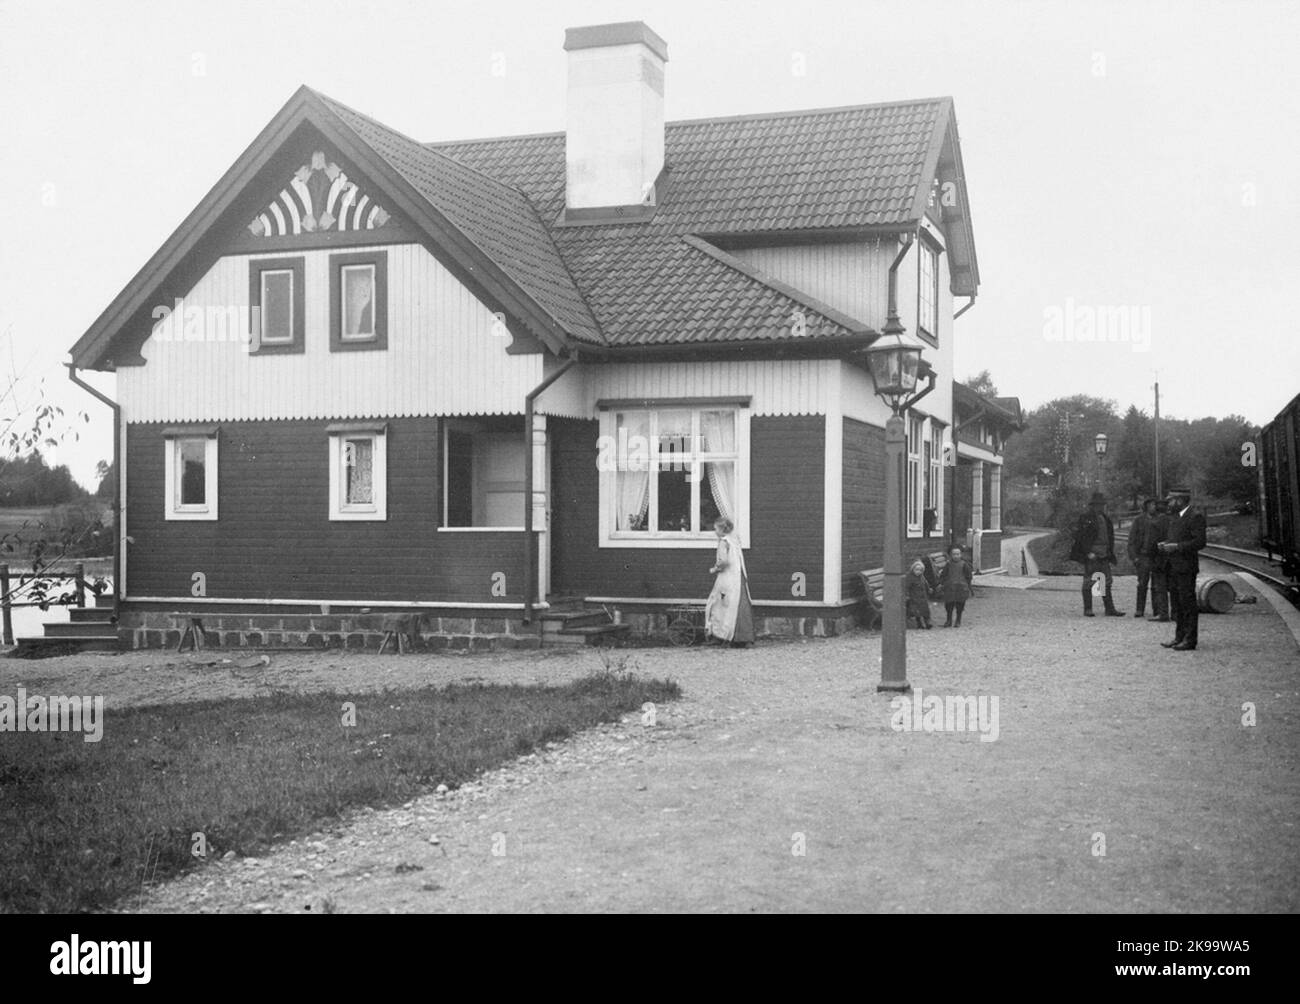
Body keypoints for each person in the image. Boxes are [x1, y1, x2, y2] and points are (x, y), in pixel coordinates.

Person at [1159, 487, 1206, 651]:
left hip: (1186, 567)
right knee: (1178, 604)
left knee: (1188, 604)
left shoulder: (1195, 516)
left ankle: (1190, 639)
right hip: (1174, 566)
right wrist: (1166, 544)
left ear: (1180, 500)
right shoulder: (1176, 517)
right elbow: (1178, 538)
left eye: (1171, 500)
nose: (1169, 503)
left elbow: (1200, 542)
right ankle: (1179, 637)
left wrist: (1177, 547)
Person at [1068, 491, 1125, 617]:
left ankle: (1109, 609)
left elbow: (1110, 537)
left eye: (1102, 504)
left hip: (1104, 554)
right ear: (1092, 505)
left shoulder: (1105, 519)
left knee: (1106, 581)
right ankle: (1088, 609)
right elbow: (1081, 537)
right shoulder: (1086, 518)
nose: (1100, 507)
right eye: (1098, 505)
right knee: (1089, 580)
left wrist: (1109, 552)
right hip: (1092, 554)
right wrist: (1088, 552)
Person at [705, 516, 754, 646]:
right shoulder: (734, 541)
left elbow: (724, 561)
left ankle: (721, 635)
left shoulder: (723, 542)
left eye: (716, 528)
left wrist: (715, 569)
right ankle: (741, 637)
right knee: (738, 604)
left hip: (728, 577)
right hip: (738, 577)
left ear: (721, 530)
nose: (715, 531)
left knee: (720, 603)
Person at [1128, 498, 1159, 618]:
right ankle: (1139, 609)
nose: (1154, 507)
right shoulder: (1138, 520)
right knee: (1142, 584)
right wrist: (1134, 557)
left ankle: (1157, 610)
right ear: (1146, 507)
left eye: (1155, 504)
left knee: (1156, 585)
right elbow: (1131, 540)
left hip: (1155, 556)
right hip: (1143, 556)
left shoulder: (1159, 519)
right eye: (1151, 505)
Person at [1145, 498, 1171, 622]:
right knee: (1174, 587)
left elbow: (1151, 544)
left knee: (1160, 587)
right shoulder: (1173, 521)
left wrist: (1150, 557)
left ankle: (1162, 613)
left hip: (1159, 559)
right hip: (1172, 558)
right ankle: (1176, 612)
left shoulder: (1155, 523)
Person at [940, 545, 973, 627]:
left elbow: (969, 576)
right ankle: (949, 620)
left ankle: (958, 620)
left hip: (961, 588)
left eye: (958, 554)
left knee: (960, 604)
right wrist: (943, 583)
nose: (956, 556)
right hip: (950, 587)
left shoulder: (964, 564)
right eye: (954, 554)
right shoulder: (948, 564)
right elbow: (943, 575)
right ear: (951, 555)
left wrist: (967, 585)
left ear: (961, 554)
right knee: (949, 605)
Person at [905, 559, 932, 629]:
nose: (918, 572)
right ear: (913, 569)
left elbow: (926, 583)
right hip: (915, 597)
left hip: (923, 597)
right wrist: (907, 595)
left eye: (920, 570)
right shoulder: (910, 577)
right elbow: (906, 587)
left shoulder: (922, 577)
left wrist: (929, 589)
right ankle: (919, 623)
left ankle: (927, 622)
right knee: (917, 611)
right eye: (916, 570)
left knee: (925, 610)